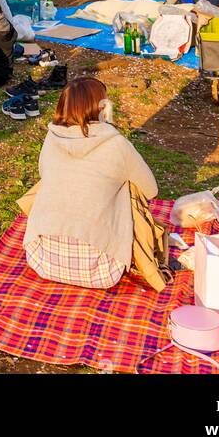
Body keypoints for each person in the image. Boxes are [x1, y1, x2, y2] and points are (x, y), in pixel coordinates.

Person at [23, 76, 158, 289]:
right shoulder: (116, 144)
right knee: (128, 185)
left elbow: (44, 174)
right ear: (101, 108)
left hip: (41, 259)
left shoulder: (51, 138)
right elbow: (150, 190)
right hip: (103, 270)